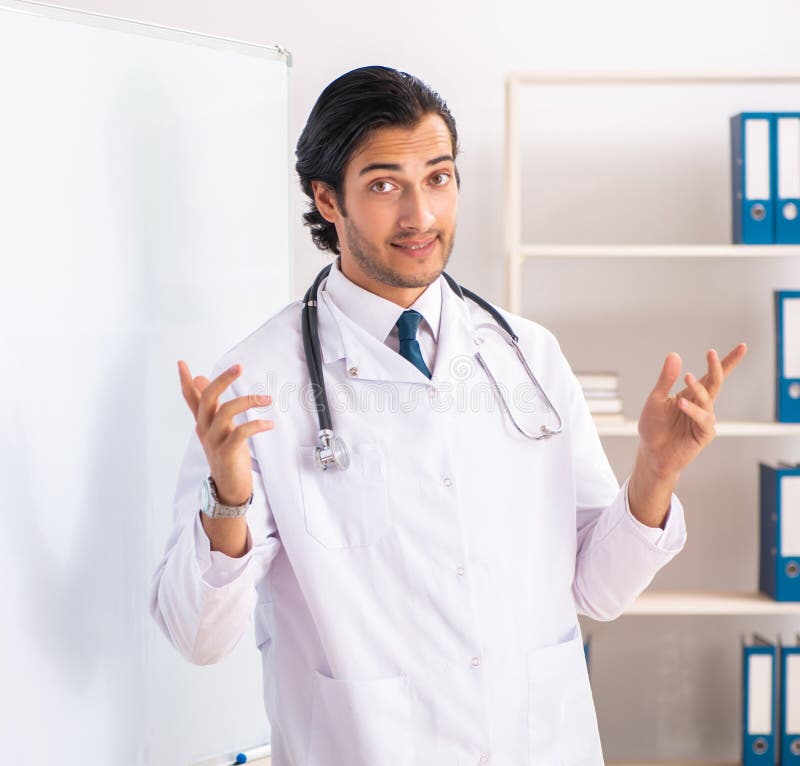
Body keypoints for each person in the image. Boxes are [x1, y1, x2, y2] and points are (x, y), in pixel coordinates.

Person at [150, 65, 747, 765]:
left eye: (438, 178)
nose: (421, 216)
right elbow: (198, 638)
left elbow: (598, 591)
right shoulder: (256, 384)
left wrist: (655, 472)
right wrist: (228, 499)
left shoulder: (528, 356)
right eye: (383, 185)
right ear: (326, 199)